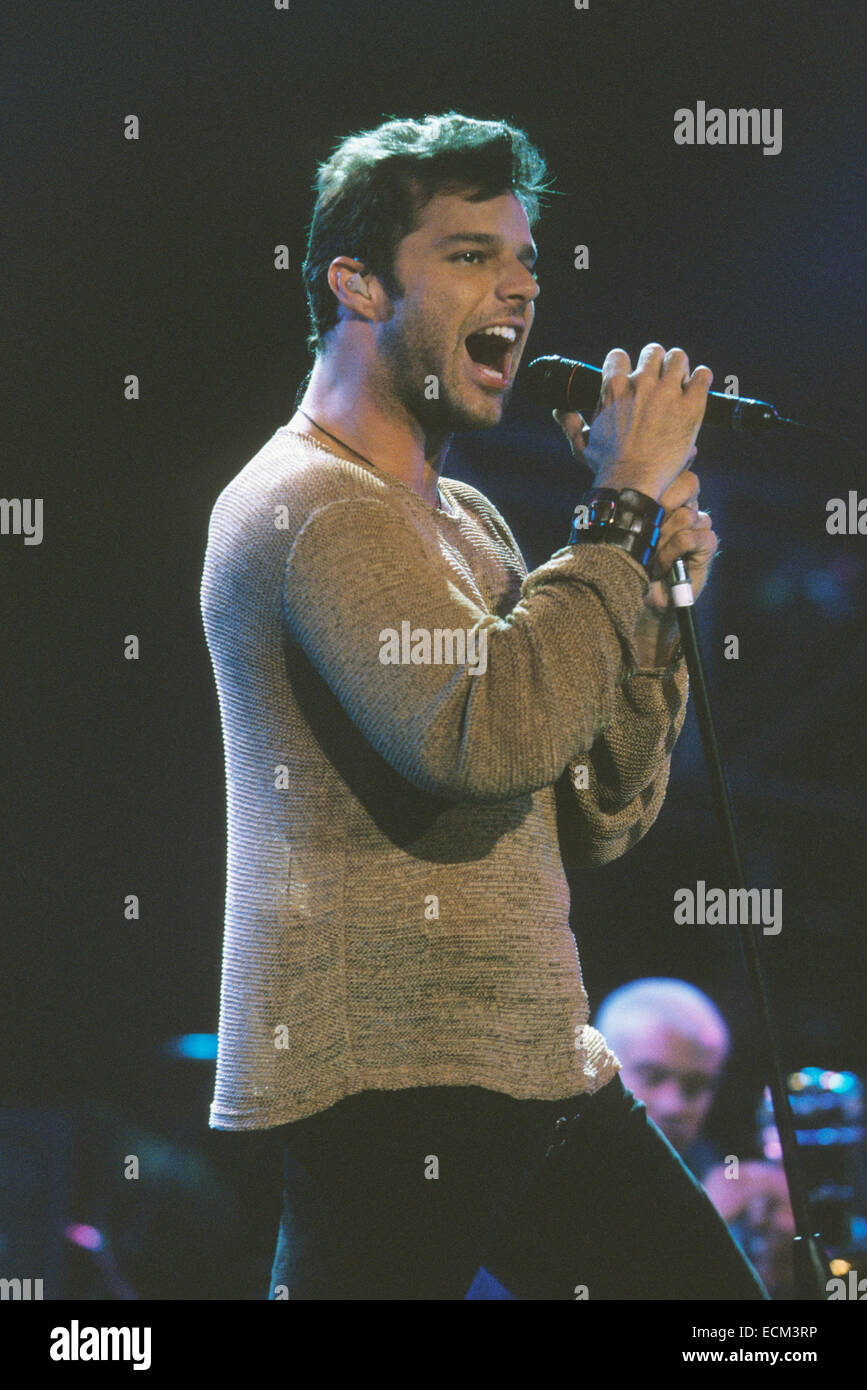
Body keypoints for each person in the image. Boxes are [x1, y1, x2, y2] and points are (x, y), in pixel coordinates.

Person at [200, 111, 767, 1300]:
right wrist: (613, 517)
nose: (518, 287)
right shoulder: (306, 502)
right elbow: (485, 734)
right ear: (355, 282)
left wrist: (651, 604)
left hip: (532, 1058)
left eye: (526, 263)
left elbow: (601, 806)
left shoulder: (472, 524)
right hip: (393, 1077)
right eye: (469, 255)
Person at [595, 978, 795, 1296]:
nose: (674, 1106)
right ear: (598, 1069)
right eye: (653, 1076)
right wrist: (702, 1225)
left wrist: (773, 1269)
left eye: (697, 1085)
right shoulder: (549, 1173)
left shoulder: (707, 1160)